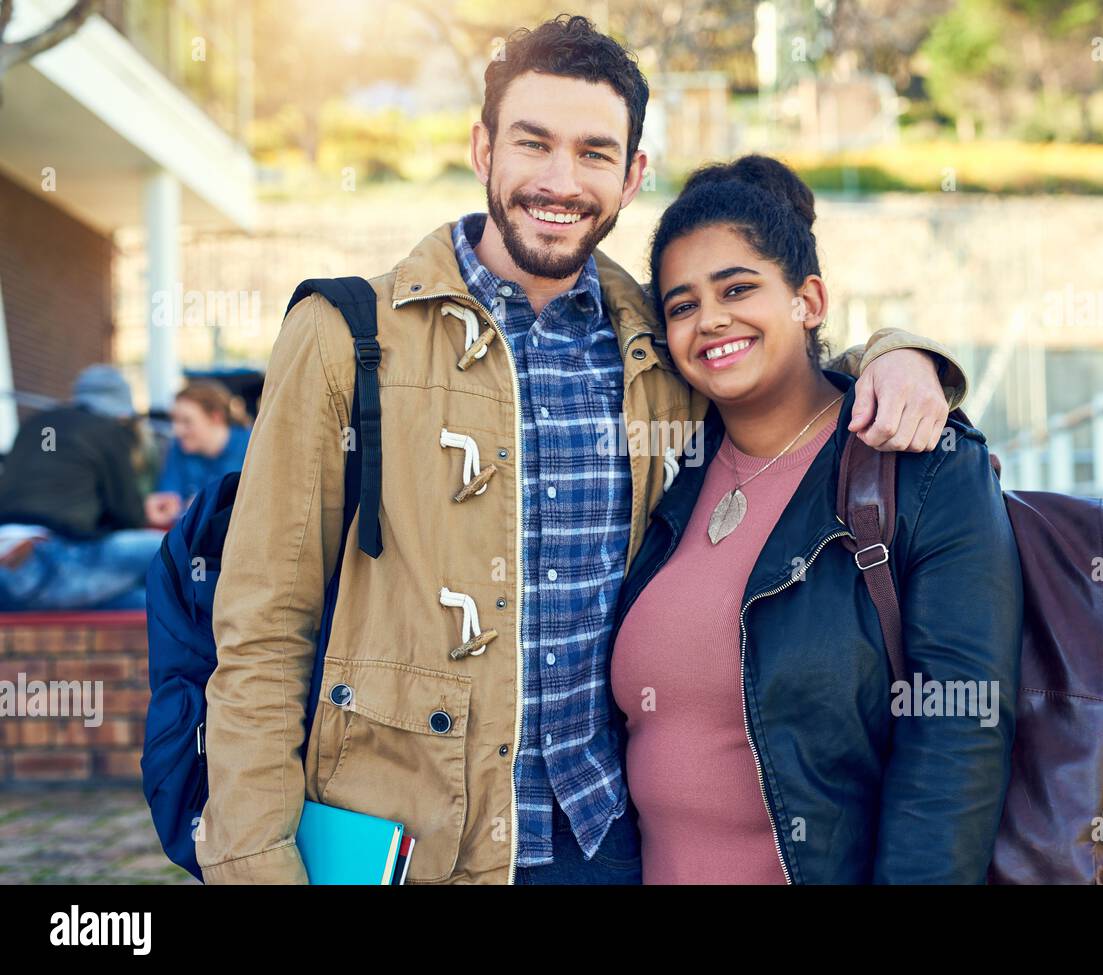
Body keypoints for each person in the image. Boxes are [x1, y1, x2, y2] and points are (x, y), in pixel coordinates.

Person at [198, 15, 970, 886]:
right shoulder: (347, 336)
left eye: (596, 153)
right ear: (483, 147)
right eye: (535, 144)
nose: (562, 182)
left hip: (605, 845)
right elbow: (263, 628)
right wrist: (254, 861)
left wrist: (899, 354)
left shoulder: (661, 339)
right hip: (409, 849)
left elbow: (778, 368)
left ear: (634, 174)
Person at [608, 155, 1023, 884]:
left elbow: (960, 742)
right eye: (681, 305)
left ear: (809, 300)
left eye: (738, 288)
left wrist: (902, 356)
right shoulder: (667, 472)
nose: (711, 319)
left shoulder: (925, 466)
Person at [0, 364, 164, 611]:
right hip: (53, 559)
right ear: (121, 410)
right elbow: (129, 517)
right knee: (174, 547)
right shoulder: (108, 430)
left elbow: (52, 492)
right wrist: (146, 511)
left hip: (11, 569)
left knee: (139, 601)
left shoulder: (36, 423)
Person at [145, 381, 251, 528]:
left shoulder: (251, 447)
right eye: (174, 420)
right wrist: (164, 505)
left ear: (215, 418)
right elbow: (170, 495)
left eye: (186, 421)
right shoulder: (178, 447)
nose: (177, 430)